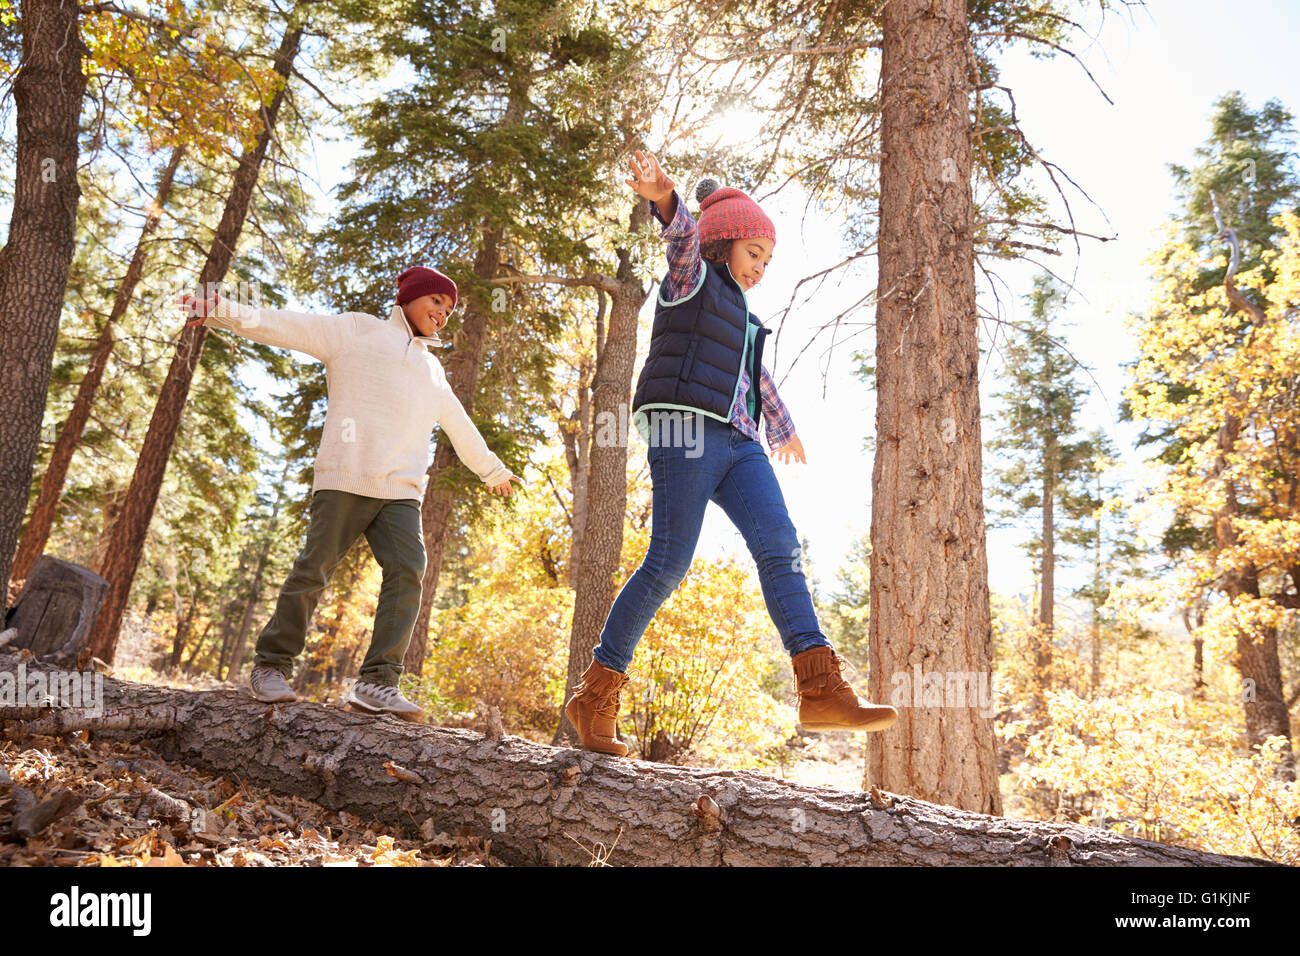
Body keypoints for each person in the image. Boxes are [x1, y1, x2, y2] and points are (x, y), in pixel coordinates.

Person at [563, 152, 898, 756]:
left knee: (781, 546)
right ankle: (596, 695)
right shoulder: (693, 278)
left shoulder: (746, 316)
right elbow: (684, 237)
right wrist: (664, 199)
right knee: (667, 563)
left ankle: (819, 688)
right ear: (724, 247)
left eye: (767, 261)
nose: (760, 269)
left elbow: (756, 378)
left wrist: (783, 428)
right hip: (684, 428)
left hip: (740, 442)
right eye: (753, 255)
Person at [181, 266, 521, 720]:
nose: (443, 313)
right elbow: (286, 324)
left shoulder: (432, 369)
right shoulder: (356, 331)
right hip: (346, 476)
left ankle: (378, 683)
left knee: (408, 570)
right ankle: (271, 665)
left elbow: (459, 423)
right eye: (436, 301)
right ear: (410, 297)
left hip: (400, 491)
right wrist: (219, 310)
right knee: (314, 570)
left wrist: (492, 470)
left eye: (450, 308)